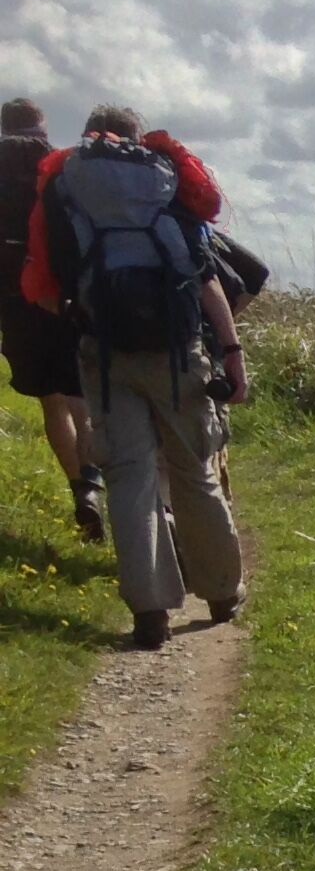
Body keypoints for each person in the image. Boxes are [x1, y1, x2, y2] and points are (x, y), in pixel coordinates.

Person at [21, 108, 244, 647]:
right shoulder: (162, 181)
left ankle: (150, 613)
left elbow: (43, 286)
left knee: (129, 478)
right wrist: (232, 352)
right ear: (138, 140)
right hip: (177, 353)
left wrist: (85, 315)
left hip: (105, 357)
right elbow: (205, 277)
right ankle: (220, 592)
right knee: (195, 471)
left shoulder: (66, 188)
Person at [0, 97, 97, 542]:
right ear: (41, 126)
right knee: (79, 394)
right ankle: (94, 483)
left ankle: (78, 488)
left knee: (50, 401)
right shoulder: (59, 165)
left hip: (13, 299)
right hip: (60, 294)